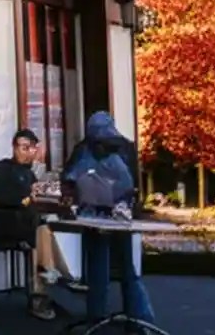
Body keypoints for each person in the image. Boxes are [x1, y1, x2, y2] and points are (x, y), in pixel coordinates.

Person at [61, 111, 156, 325]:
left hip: (113, 215)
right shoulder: (93, 149)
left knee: (118, 269)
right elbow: (69, 180)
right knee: (106, 270)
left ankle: (132, 319)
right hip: (98, 216)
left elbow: (131, 185)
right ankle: (121, 319)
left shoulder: (112, 148)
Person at [0, 129, 73, 321]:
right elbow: (0, 197)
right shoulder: (3, 168)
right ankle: (55, 279)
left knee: (43, 231)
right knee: (39, 234)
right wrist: (26, 200)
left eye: (31, 148)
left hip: (27, 226)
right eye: (23, 148)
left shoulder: (30, 175)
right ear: (14, 148)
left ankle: (50, 276)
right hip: (5, 225)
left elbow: (34, 202)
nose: (27, 152)